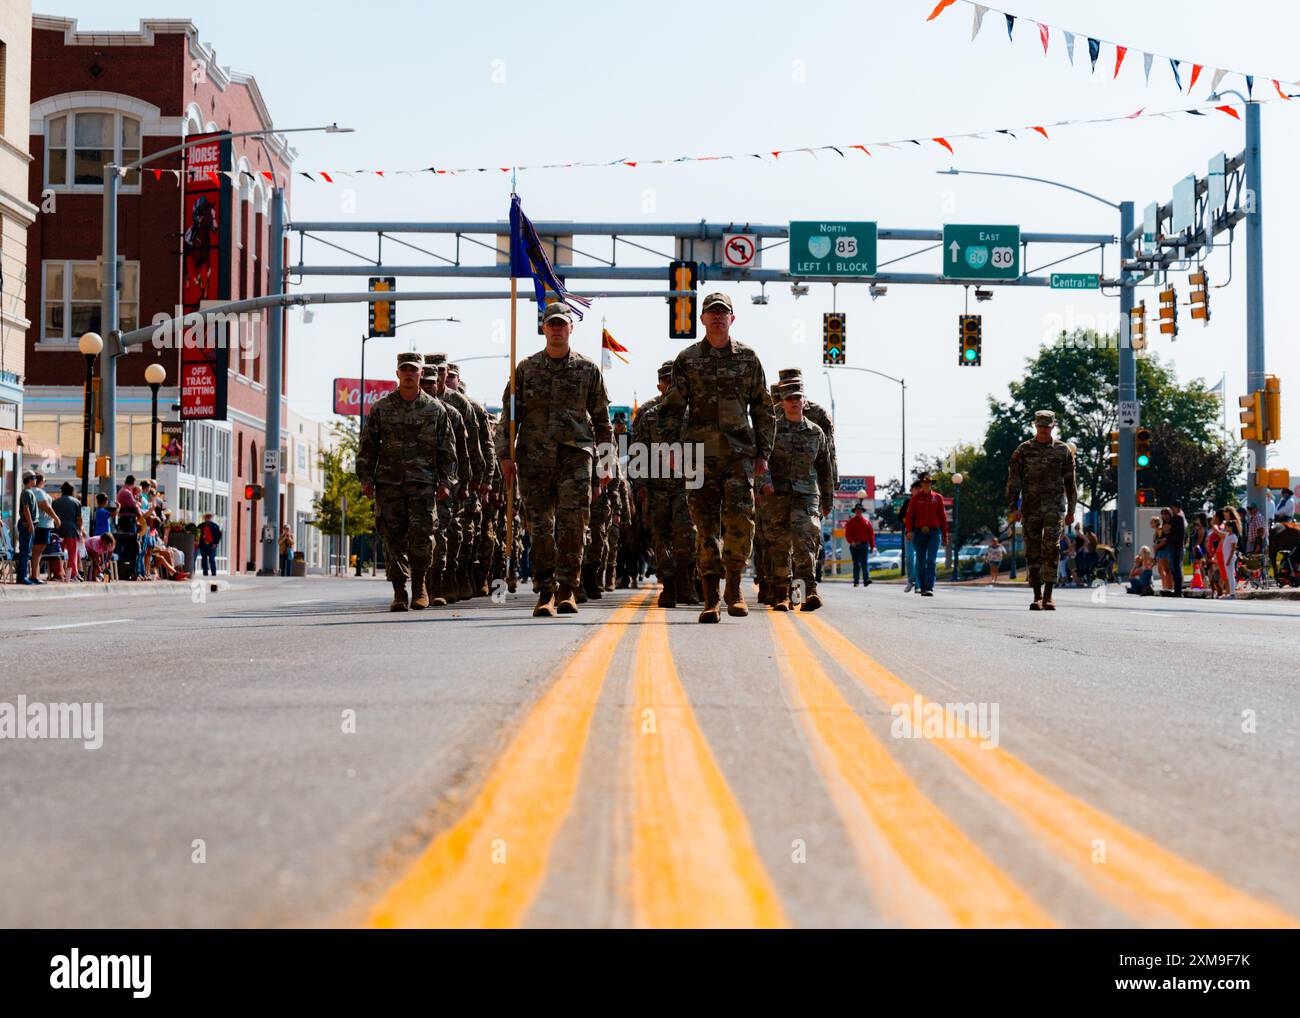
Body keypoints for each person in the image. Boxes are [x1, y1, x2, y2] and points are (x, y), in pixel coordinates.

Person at [657, 292, 772, 622]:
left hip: (739, 456)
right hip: (698, 456)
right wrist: (671, 448)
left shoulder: (748, 359)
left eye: (724, 313)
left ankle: (734, 589)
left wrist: (763, 452)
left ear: (732, 319)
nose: (718, 317)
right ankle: (711, 598)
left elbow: (763, 409)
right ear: (703, 319)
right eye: (712, 313)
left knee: (740, 523)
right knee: (704, 528)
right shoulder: (687, 359)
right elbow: (672, 410)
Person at [497, 303, 612, 617]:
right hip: (534, 459)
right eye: (552, 324)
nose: (557, 328)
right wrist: (505, 455)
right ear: (543, 328)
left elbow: (603, 421)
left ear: (571, 329)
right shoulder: (525, 369)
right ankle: (544, 590)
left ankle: (567, 589)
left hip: (575, 457)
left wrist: (606, 461)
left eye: (563, 324)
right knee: (540, 527)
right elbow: (510, 416)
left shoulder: (588, 370)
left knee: (573, 525)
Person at [355, 351, 457, 612]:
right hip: (389, 485)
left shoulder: (435, 410)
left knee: (422, 536)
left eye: (414, 369)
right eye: (405, 369)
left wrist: (446, 482)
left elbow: (447, 451)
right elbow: (367, 448)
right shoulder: (382, 408)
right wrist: (365, 478)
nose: (409, 373)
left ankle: (420, 586)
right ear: (397, 373)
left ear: (421, 374)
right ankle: (399, 591)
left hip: (423, 485)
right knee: (393, 538)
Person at [760, 378, 834, 611]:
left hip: (806, 495)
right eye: (789, 398)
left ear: (804, 400)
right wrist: (765, 484)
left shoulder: (815, 432)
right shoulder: (771, 430)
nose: (794, 402)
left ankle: (807, 592)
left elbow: (825, 468)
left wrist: (828, 499)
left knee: (806, 541)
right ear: (782, 402)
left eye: (797, 398)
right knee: (780, 545)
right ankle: (782, 594)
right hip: (778, 496)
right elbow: (761, 461)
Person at [630, 361, 697, 608]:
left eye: (675, 381)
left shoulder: (692, 414)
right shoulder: (649, 416)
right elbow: (638, 453)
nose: (670, 386)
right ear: (660, 385)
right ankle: (668, 586)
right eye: (666, 382)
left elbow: (701, 450)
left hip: (685, 487)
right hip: (656, 488)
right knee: (660, 536)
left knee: (687, 534)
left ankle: (686, 583)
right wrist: (641, 486)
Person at [1005, 409, 1077, 611]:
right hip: (1030, 508)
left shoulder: (1063, 451)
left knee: (1052, 548)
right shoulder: (1023, 450)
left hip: (1055, 508)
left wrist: (1071, 509)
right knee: (1033, 550)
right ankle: (1036, 594)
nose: (1044, 430)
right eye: (1040, 426)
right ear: (1035, 426)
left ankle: (1049, 595)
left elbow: (1070, 483)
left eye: (1047, 426)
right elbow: (1013, 481)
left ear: (1053, 426)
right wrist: (1013, 508)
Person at [903, 473, 948, 597]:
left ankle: (929, 587)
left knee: (931, 560)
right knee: (921, 560)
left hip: (934, 532)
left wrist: (945, 535)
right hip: (919, 532)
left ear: (931, 484)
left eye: (929, 482)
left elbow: (942, 517)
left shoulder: (938, 498)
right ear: (921, 484)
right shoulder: (916, 498)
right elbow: (909, 516)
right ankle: (922, 586)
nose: (926, 484)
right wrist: (909, 531)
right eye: (924, 482)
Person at [51, 482, 84, 582]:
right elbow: (79, 519)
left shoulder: (55, 502)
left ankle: (58, 574)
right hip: (72, 530)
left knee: (58, 553)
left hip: (58, 530)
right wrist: (80, 530)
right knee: (72, 553)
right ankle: (72, 574)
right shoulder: (76, 502)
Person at [30, 472, 59, 583]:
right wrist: (56, 518)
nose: (45, 483)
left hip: (42, 524)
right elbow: (45, 506)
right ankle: (34, 576)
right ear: (41, 481)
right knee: (37, 552)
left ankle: (35, 575)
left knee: (38, 552)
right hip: (42, 525)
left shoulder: (34, 491)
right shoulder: (38, 491)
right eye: (45, 480)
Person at [15, 472, 39, 585]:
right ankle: (22, 577)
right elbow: (26, 509)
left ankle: (22, 576)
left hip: (29, 524)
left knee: (26, 551)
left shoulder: (30, 492)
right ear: (28, 479)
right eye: (34, 478)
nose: (36, 479)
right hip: (26, 525)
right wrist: (30, 524)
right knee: (24, 552)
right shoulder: (26, 492)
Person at [844, 502, 875, 587]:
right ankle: (856, 581)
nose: (858, 512)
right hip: (854, 546)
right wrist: (851, 541)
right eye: (857, 510)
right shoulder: (850, 522)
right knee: (856, 564)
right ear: (855, 511)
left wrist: (873, 546)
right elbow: (847, 534)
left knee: (864, 563)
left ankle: (866, 580)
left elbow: (871, 535)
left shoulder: (867, 523)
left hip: (864, 545)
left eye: (860, 510)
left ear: (862, 511)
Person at [900, 479, 921, 592]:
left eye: (919, 489)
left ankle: (918, 584)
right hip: (909, 533)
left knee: (920, 558)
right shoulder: (907, 502)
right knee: (909, 558)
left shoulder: (924, 501)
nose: (917, 491)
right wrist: (907, 522)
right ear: (911, 491)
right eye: (915, 489)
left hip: (921, 534)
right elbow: (901, 516)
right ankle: (910, 580)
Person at [1166, 501, 1187, 597]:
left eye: (1173, 507)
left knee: (1175, 567)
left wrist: (1166, 528)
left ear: (1176, 507)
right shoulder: (1181, 517)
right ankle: (1177, 589)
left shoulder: (1177, 517)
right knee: (1175, 567)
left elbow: (1166, 528)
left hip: (1175, 546)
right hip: (1176, 545)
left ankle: (1178, 590)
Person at [1220, 518, 1240, 599]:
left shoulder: (1233, 537)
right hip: (1226, 558)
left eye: (1227, 526)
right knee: (1229, 575)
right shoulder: (1228, 535)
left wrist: (1228, 559)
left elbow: (1232, 549)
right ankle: (1231, 593)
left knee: (1231, 576)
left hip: (1230, 558)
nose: (1226, 528)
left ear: (1231, 527)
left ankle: (1233, 594)